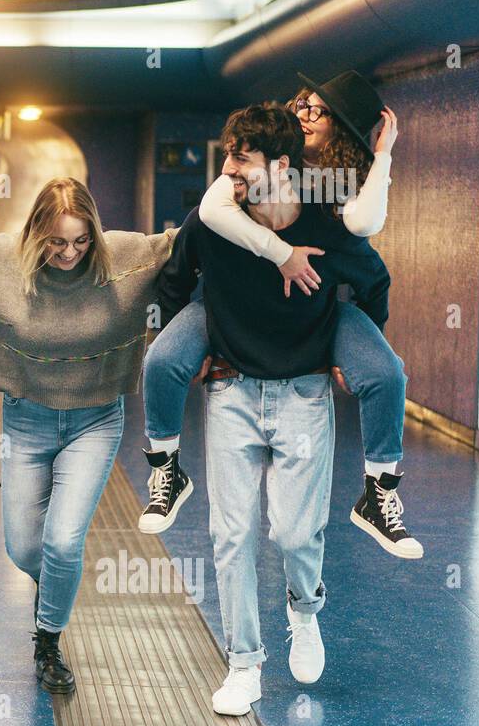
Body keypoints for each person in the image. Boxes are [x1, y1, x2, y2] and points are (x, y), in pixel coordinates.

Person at [155, 103, 392, 715]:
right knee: (230, 535)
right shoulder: (211, 223)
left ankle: (304, 608)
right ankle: (243, 665)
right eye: (228, 157)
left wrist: (354, 346)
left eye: (241, 161)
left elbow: (375, 280)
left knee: (293, 532)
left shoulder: (327, 221)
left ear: (280, 166)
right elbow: (174, 282)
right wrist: (199, 344)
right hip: (232, 395)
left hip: (304, 393)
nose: (228, 171)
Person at [0, 177, 176, 695]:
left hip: (95, 421)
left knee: (63, 542)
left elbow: (196, 240)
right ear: (35, 233)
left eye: (80, 241)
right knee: (25, 550)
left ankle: (47, 641)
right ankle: (53, 586)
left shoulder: (128, 257)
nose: (69, 253)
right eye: (56, 241)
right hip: (26, 424)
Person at [139, 71, 421, 560]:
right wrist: (281, 252)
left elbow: (367, 236)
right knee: (161, 361)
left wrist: (383, 157)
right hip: (227, 307)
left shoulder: (333, 196)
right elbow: (201, 228)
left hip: (326, 311)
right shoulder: (240, 177)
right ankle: (166, 468)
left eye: (318, 110)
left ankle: (380, 493)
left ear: (341, 133)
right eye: (301, 105)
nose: (303, 114)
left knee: (385, 372)